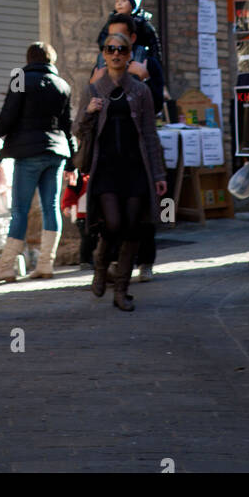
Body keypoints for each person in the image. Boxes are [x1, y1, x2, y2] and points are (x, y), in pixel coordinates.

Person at [75, 29, 167, 311]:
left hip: (135, 167)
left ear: (129, 57)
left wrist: (159, 174)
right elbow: (77, 130)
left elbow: (150, 134)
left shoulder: (140, 91)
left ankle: (122, 292)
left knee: (132, 228)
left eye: (122, 50)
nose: (116, 54)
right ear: (103, 54)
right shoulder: (92, 90)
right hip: (106, 167)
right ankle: (102, 266)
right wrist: (89, 112)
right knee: (112, 223)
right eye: (110, 49)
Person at [0, 42, 74, 284]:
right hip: (56, 153)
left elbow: (8, 114)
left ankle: (6, 268)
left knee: (20, 210)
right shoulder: (62, 85)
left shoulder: (19, 77)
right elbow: (68, 126)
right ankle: (46, 263)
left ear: (29, 58)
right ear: (51, 60)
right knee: (51, 207)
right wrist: (73, 162)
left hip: (28, 152)